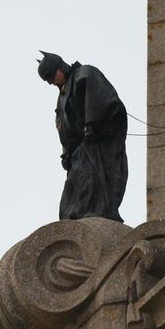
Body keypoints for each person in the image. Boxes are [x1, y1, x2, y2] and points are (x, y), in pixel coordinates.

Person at [37, 51, 128, 222]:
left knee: (92, 180)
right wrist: (66, 153)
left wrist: (91, 123)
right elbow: (64, 127)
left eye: (51, 76)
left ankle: (97, 212)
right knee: (72, 189)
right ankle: (72, 219)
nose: (51, 82)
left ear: (59, 67)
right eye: (47, 80)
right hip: (78, 152)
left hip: (96, 143)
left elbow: (100, 97)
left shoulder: (84, 74)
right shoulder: (62, 98)